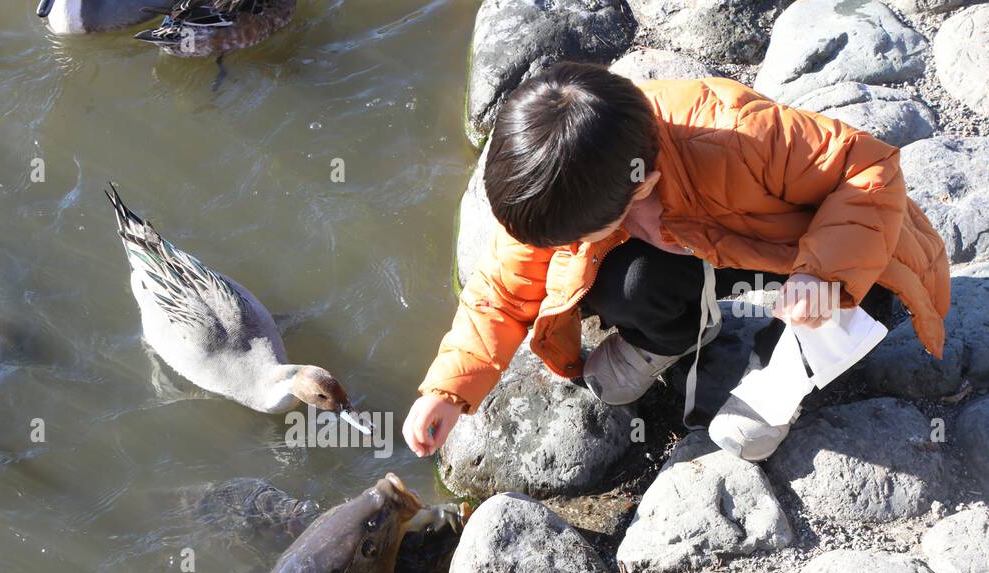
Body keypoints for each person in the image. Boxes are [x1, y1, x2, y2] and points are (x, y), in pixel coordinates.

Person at [403, 63, 950, 462]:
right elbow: (503, 288)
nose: (557, 246)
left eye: (577, 235)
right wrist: (448, 390)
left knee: (764, 410)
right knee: (619, 283)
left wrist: (819, 274)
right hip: (710, 246)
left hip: (841, 250)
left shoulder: (737, 133)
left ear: (644, 185)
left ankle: (780, 368)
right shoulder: (567, 179)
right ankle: (675, 333)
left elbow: (870, 168)